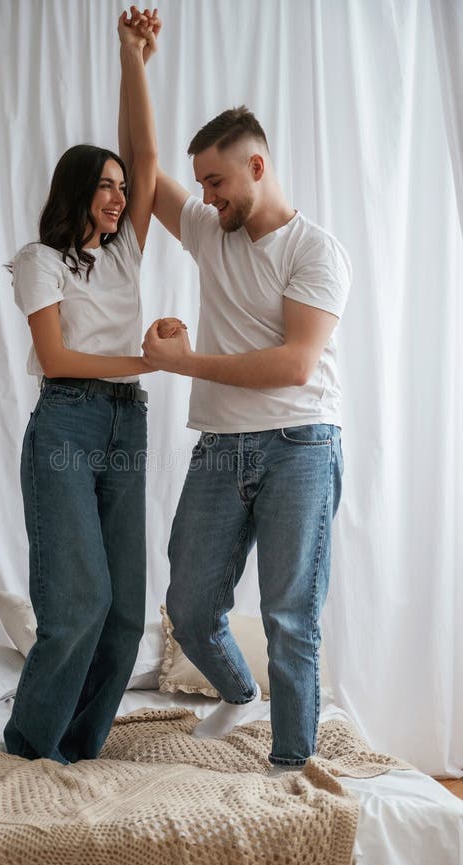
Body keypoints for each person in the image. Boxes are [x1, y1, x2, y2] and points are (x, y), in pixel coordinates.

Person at [142, 104, 352, 769]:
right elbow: (145, 175)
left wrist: (185, 364)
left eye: (215, 181)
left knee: (291, 617)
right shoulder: (211, 232)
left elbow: (294, 365)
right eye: (200, 185)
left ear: (256, 167)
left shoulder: (316, 250)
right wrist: (133, 60)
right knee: (190, 603)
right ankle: (240, 694)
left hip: (302, 445)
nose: (204, 198)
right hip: (220, 446)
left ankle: (291, 768)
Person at [3, 8, 180, 764]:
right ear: (77, 191)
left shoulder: (124, 254)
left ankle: (76, 754)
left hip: (125, 427)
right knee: (77, 605)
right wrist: (146, 362)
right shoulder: (40, 260)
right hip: (69, 426)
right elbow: (58, 358)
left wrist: (131, 56)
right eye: (103, 186)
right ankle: (27, 748)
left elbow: (146, 154)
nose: (119, 195)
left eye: (119, 188)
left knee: (124, 615)